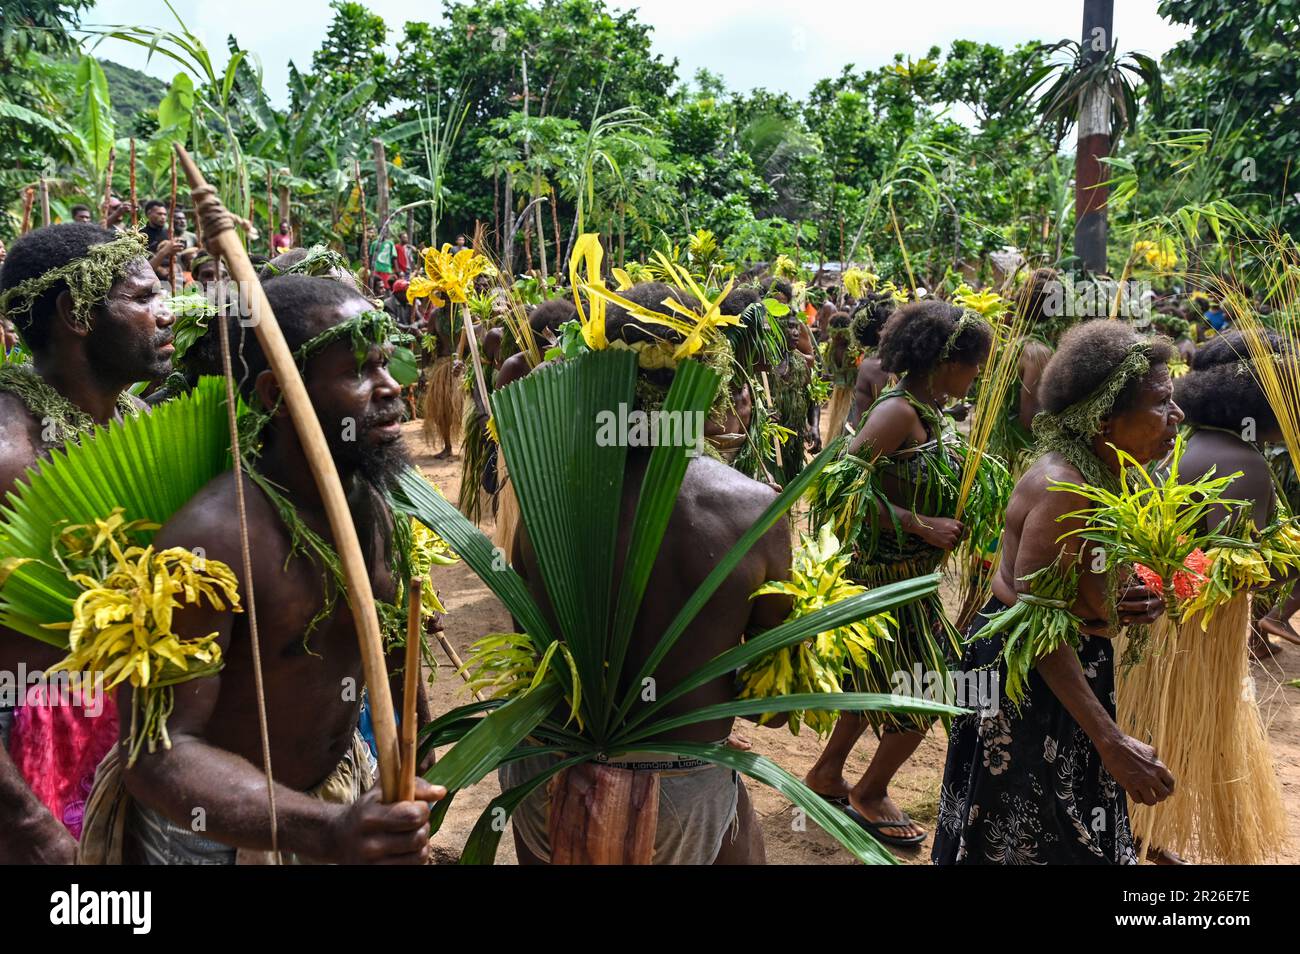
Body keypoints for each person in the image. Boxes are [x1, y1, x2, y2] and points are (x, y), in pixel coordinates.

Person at [79, 274, 444, 864]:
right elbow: (159, 755)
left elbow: (382, 633)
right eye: (358, 371)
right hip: (212, 835)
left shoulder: (372, 503)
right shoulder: (213, 542)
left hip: (336, 796)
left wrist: (412, 735)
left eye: (384, 363)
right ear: (276, 395)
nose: (390, 387)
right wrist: (324, 830)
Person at [500, 282, 794, 864]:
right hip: (680, 786)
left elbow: (535, 660)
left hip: (546, 773)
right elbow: (773, 707)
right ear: (710, 377)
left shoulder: (546, 499)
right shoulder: (755, 510)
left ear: (595, 379)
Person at [933, 319, 1179, 865]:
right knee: (1018, 830)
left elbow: (1087, 582)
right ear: (1105, 417)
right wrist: (1112, 742)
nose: (1176, 416)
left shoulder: (1115, 473)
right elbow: (1037, 632)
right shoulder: (1062, 487)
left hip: (1074, 665)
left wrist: (1129, 599)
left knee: (1065, 821)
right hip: (1024, 674)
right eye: (1161, 402)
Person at [0, 223, 175, 862]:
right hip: (31, 759)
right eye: (144, 297)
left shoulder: (145, 424)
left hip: (140, 742)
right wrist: (25, 823)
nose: (167, 313)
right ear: (77, 315)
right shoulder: (10, 453)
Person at [805, 300, 992, 847]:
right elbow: (837, 487)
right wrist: (919, 524)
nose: (978, 374)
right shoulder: (897, 412)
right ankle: (870, 791)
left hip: (912, 580)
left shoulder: (928, 410)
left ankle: (827, 772)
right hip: (887, 579)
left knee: (876, 680)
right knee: (931, 685)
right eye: (974, 363)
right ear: (945, 360)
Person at [1112, 331, 1288, 864]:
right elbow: (1243, 571)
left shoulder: (1165, 442)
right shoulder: (1248, 465)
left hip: (1139, 624)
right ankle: (1142, 836)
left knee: (1141, 723)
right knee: (1186, 735)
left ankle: (1140, 834)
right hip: (1199, 634)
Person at [846, 292, 895, 433]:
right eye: (895, 322)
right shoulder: (878, 365)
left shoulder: (884, 359)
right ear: (880, 330)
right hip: (872, 444)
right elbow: (893, 409)